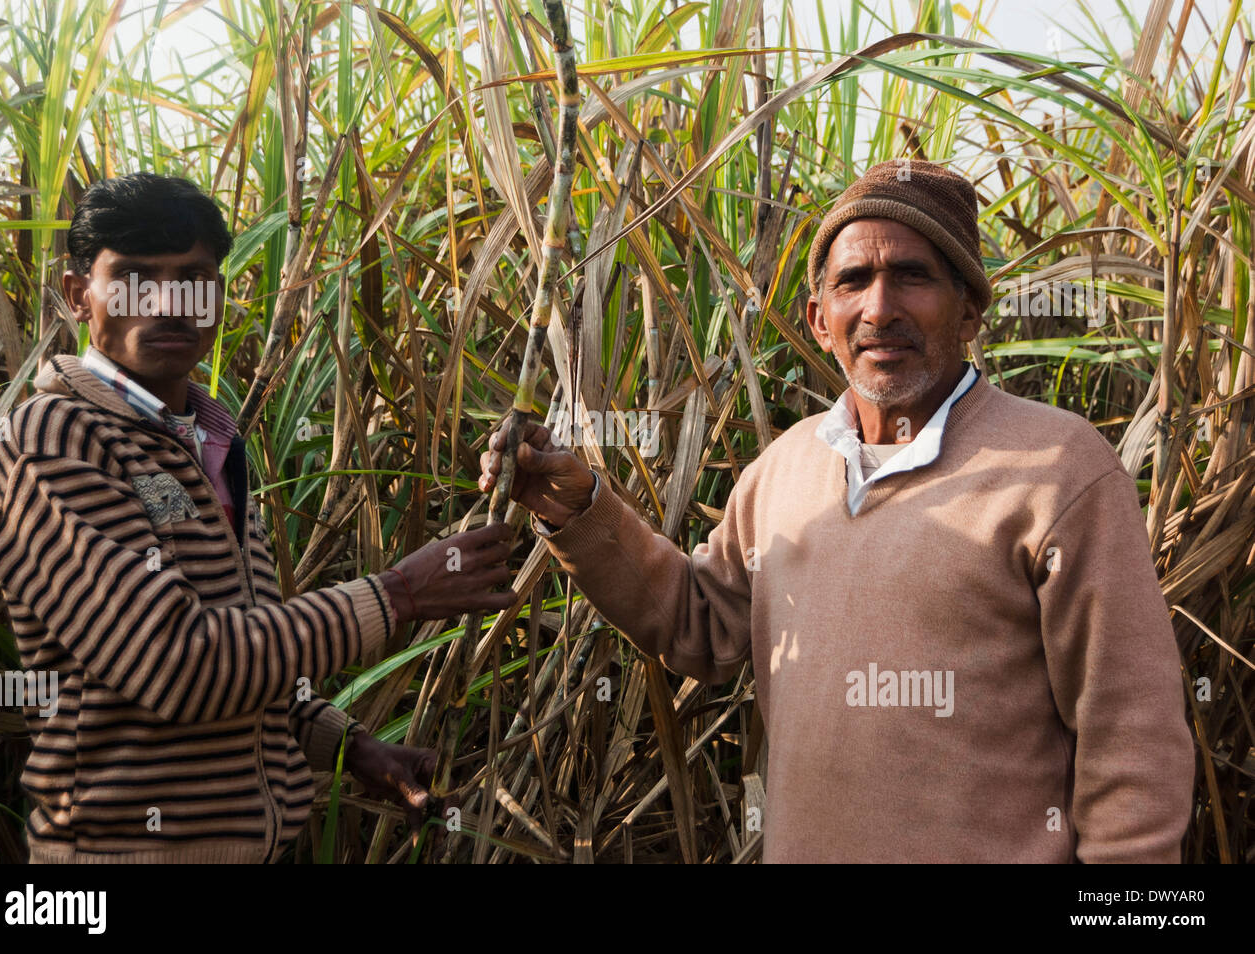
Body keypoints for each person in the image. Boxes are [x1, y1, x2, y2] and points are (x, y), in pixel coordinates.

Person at [479, 159, 1196, 863]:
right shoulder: (785, 469)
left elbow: (1130, 730)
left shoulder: (1060, 470)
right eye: (853, 281)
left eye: (913, 276)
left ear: (970, 308)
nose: (880, 309)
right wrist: (580, 511)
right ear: (821, 321)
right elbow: (701, 625)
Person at [0, 172, 517, 863]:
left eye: (195, 279)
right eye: (137, 278)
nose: (170, 304)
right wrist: (398, 595)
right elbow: (176, 661)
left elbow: (247, 650)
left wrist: (343, 743)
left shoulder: (207, 441)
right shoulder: (56, 440)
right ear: (80, 292)